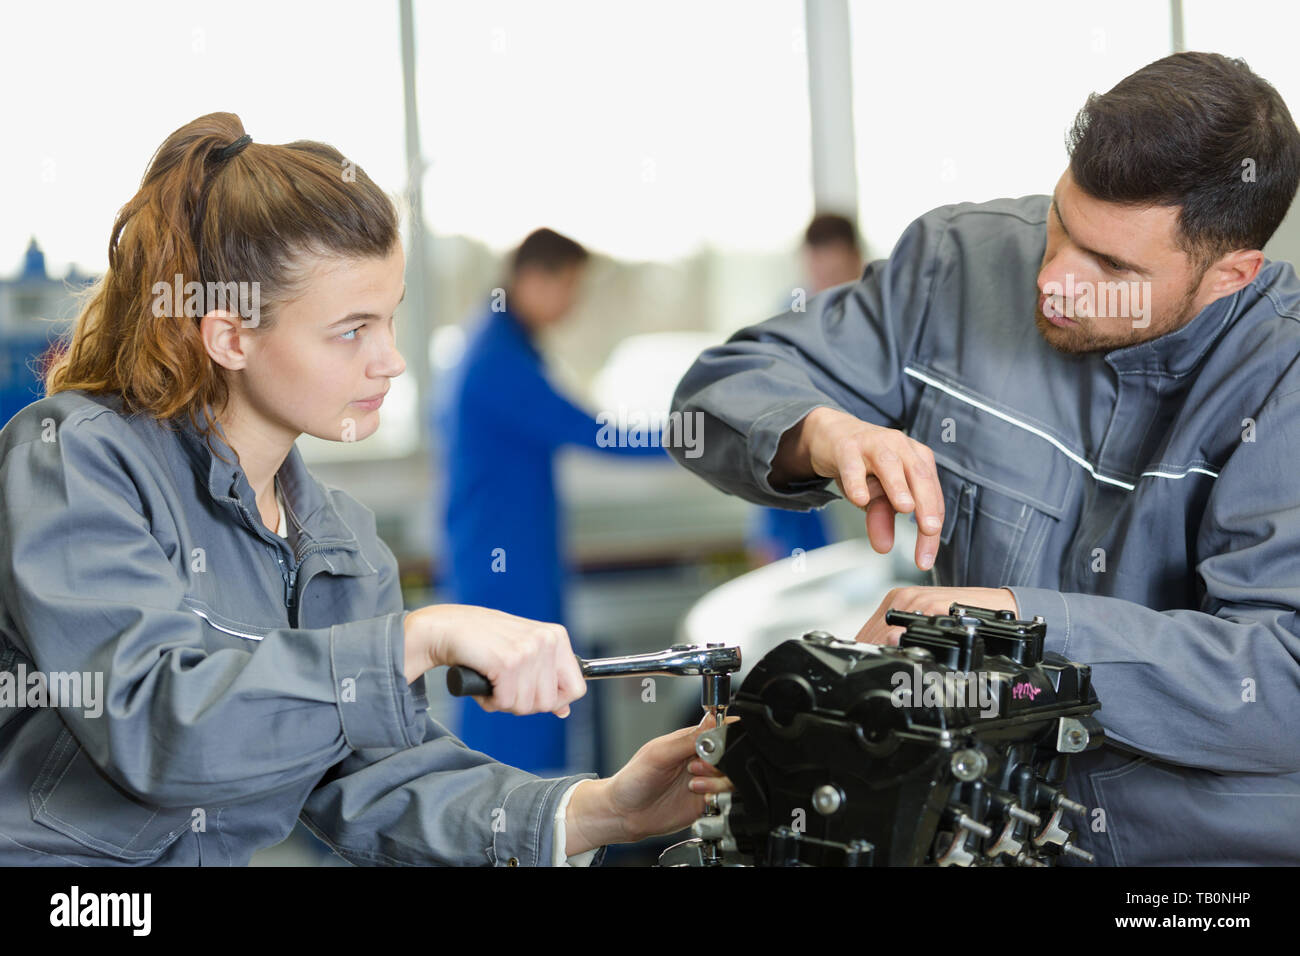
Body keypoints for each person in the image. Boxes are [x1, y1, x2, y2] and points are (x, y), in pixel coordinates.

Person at [0, 113, 727, 867]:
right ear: (231, 337)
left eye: (390, 319)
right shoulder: (75, 464)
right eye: (351, 330)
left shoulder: (336, 539)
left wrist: (598, 809)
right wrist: (412, 640)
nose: (390, 361)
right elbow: (158, 728)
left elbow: (380, 778)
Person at [667, 52, 1300, 865]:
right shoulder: (953, 268)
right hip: (969, 837)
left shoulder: (1283, 381)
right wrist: (816, 431)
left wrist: (1015, 628)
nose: (1057, 283)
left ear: (1230, 275)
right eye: (1065, 226)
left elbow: (1282, 679)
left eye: (1111, 268)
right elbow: (708, 402)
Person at [433, 228, 666, 773]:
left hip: (509, 561)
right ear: (534, 279)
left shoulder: (500, 343)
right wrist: (697, 440)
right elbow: (591, 431)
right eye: (571, 287)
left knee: (530, 706)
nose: (574, 303)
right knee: (517, 723)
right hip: (505, 573)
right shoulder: (498, 359)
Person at [747, 214, 863, 566]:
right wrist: (765, 535)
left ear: (856, 263)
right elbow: (764, 431)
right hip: (800, 501)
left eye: (836, 274)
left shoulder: (879, 323)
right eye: (819, 274)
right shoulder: (785, 323)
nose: (825, 288)